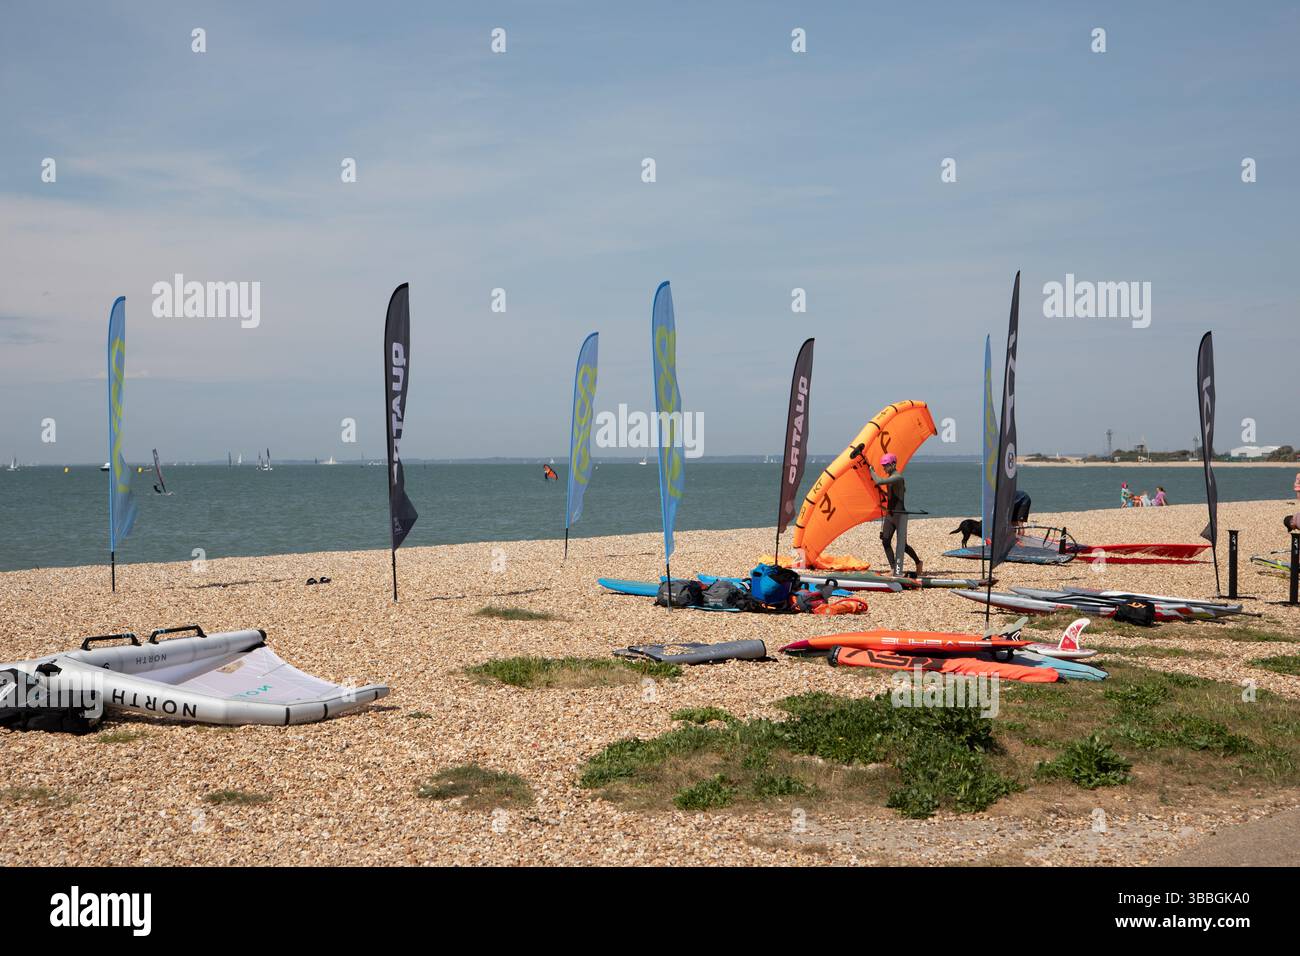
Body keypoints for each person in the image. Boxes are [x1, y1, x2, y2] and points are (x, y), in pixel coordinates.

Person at [867, 453, 922, 575]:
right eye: (883, 466)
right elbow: (892, 495)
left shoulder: (898, 477)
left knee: (903, 545)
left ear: (893, 464)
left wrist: (871, 470)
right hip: (890, 514)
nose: (884, 468)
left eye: (886, 465)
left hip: (900, 516)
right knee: (885, 541)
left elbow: (879, 481)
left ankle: (918, 562)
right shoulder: (891, 477)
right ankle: (893, 568)